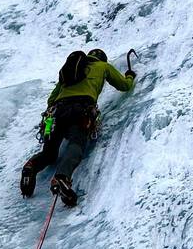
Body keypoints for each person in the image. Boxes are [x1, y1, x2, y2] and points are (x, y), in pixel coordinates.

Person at [20, 48, 135, 206]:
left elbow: (51, 99)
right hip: (81, 110)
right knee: (76, 144)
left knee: (49, 153)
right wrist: (129, 76)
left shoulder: (70, 70)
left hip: (56, 112)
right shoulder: (103, 66)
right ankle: (62, 178)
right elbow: (124, 86)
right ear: (102, 59)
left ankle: (31, 166)